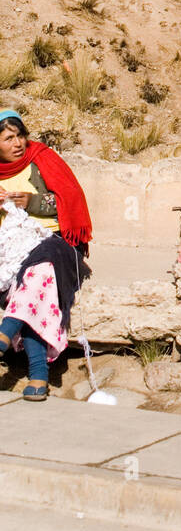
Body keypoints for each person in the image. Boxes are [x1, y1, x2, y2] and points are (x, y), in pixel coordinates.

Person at [0, 111, 92, 400]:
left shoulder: (42, 159)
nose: (18, 143)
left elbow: (70, 198)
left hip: (58, 244)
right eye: (8, 138)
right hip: (13, 249)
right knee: (30, 283)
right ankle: (39, 376)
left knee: (37, 271)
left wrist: (33, 201)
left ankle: (6, 335)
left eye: (20, 135)